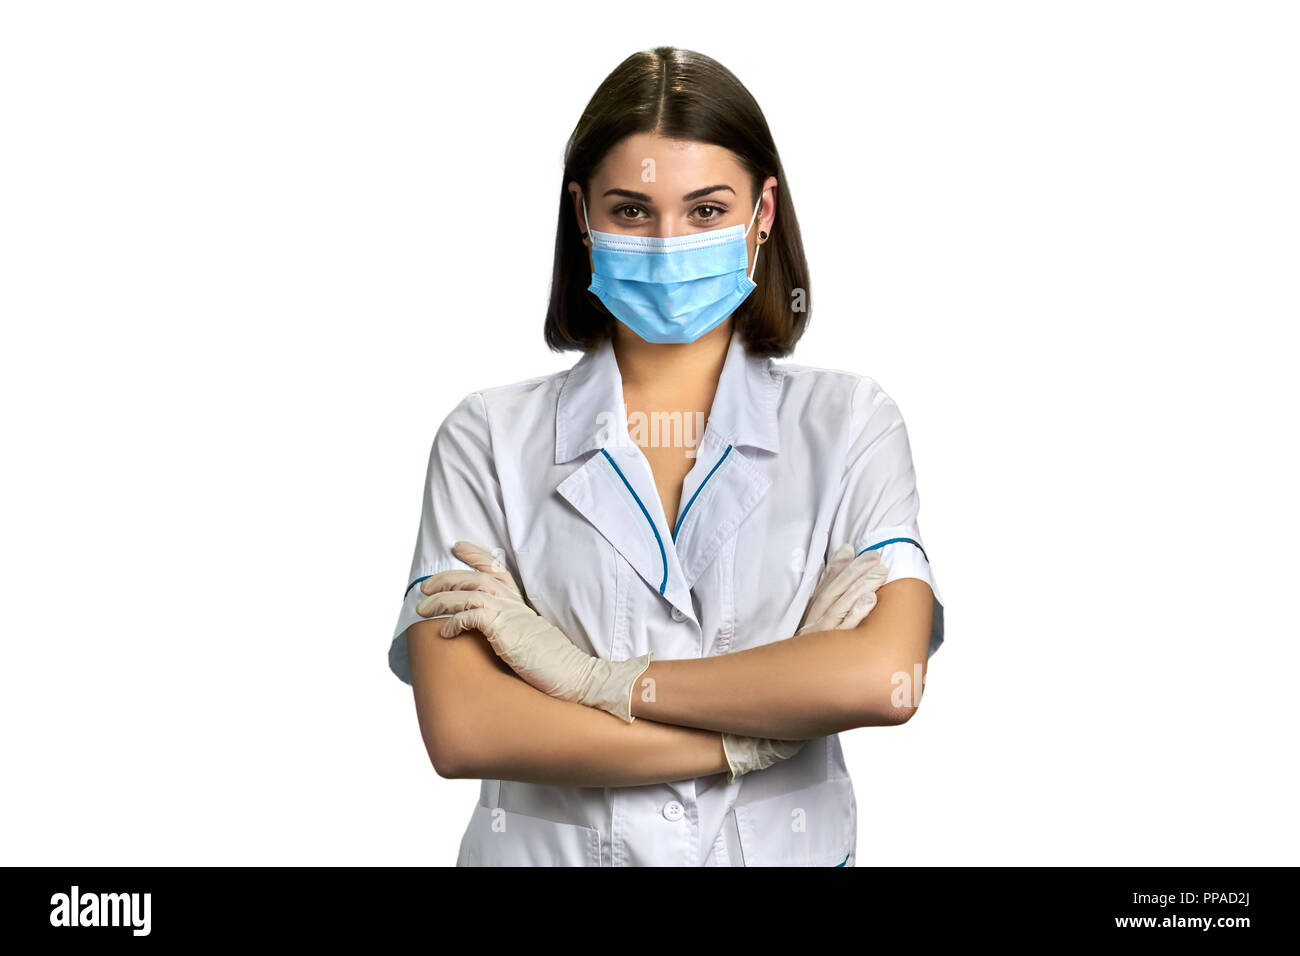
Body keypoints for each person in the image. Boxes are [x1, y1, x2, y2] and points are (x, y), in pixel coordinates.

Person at [387, 46, 945, 866]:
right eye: (632, 210)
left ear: (763, 213)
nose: (667, 241)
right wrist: (750, 737)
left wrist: (587, 680)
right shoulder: (486, 438)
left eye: (706, 210)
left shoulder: (850, 424)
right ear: (582, 216)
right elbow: (464, 729)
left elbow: (880, 681)